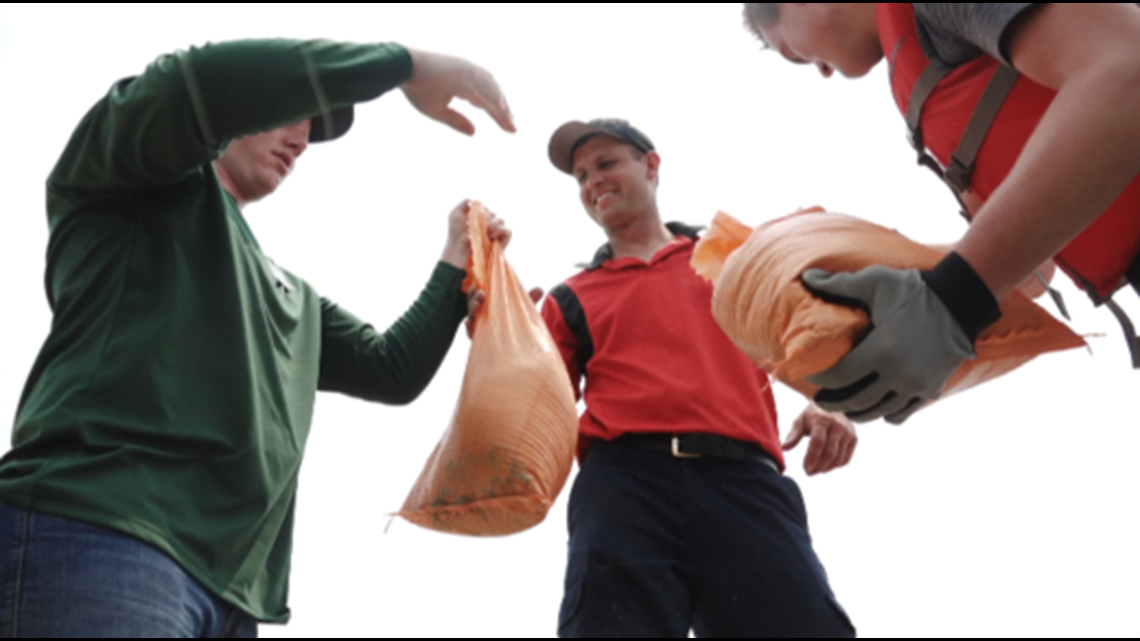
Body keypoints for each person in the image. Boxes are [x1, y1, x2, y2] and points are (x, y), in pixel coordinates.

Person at [0, 38, 516, 637]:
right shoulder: (130, 180)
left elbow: (390, 369)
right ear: (236, 112)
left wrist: (457, 259)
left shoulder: (290, 294)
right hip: (104, 532)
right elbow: (191, 83)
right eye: (286, 111)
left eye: (309, 127)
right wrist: (406, 66)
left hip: (235, 598)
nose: (300, 138)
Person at [742, 3, 1140, 423]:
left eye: (796, 55)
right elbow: (1029, 272)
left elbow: (1126, 66)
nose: (820, 71)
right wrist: (867, 360)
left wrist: (952, 296)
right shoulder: (924, 81)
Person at [541, 118, 857, 638]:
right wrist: (500, 332)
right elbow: (529, 406)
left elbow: (804, 332)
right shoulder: (570, 298)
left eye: (605, 163)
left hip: (743, 481)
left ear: (651, 165)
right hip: (626, 486)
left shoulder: (729, 257)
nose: (591, 181)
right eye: (579, 176)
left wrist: (829, 401)